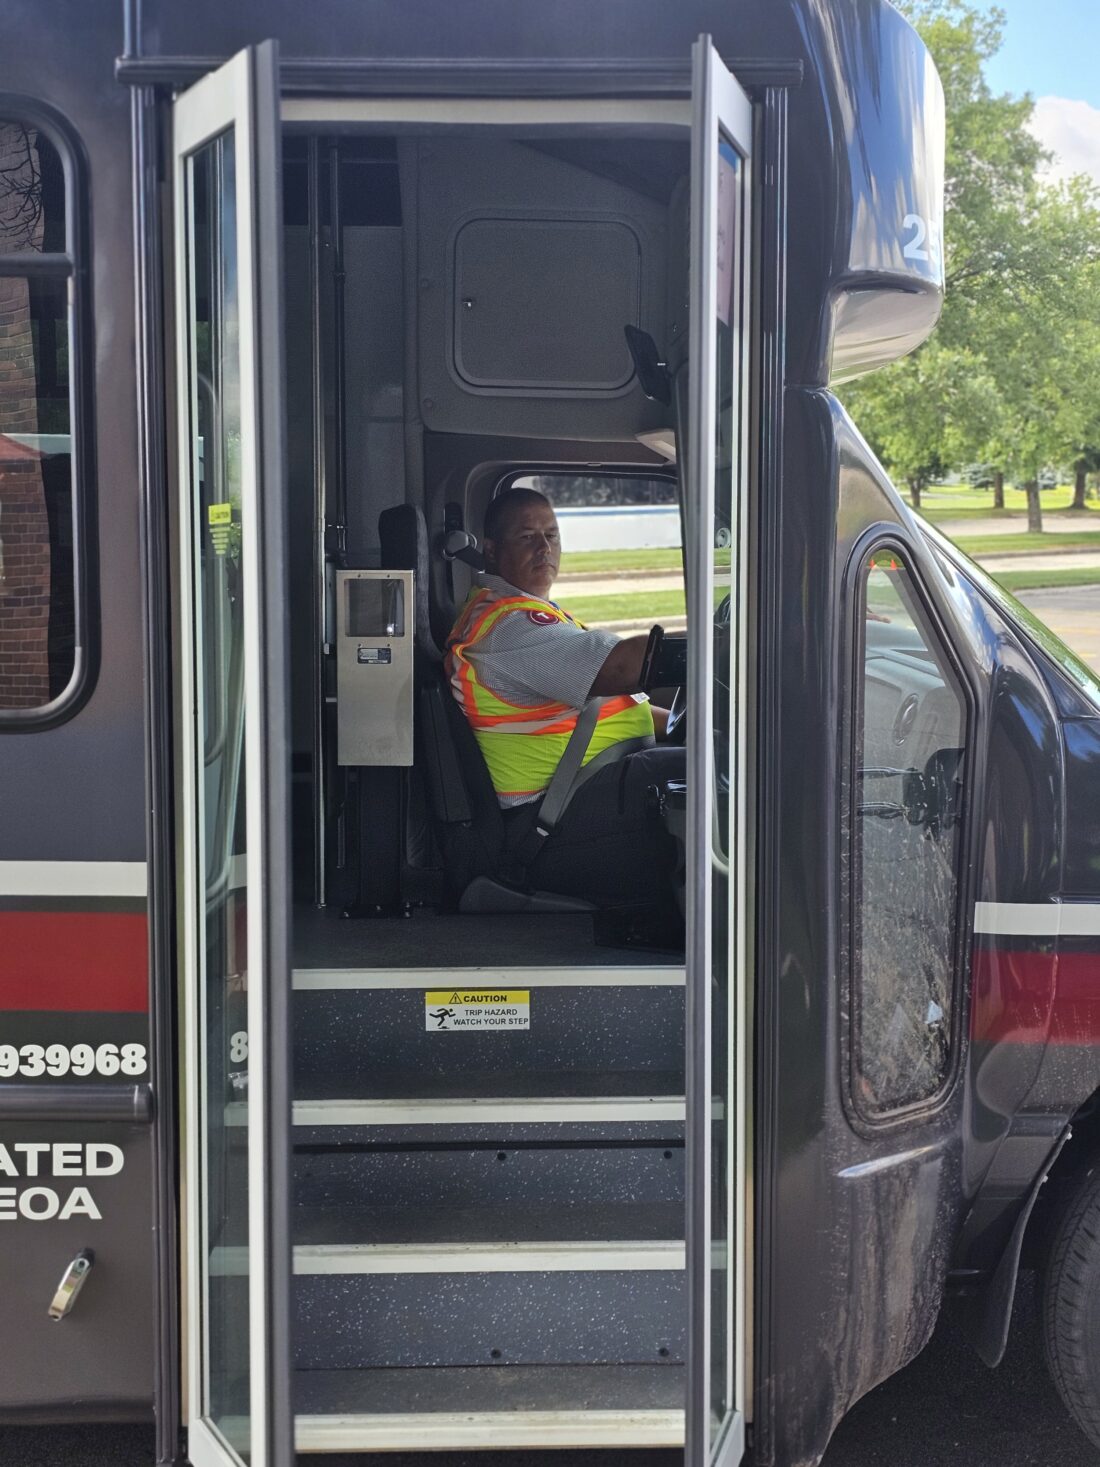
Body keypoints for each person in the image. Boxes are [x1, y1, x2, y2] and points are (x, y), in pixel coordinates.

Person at [445, 486, 685, 909]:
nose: (544, 548)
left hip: (576, 795)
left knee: (702, 757)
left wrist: (683, 724)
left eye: (552, 536)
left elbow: (609, 708)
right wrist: (712, 648)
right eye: (527, 537)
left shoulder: (519, 612)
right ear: (492, 551)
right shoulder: (511, 628)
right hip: (548, 825)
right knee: (705, 776)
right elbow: (618, 668)